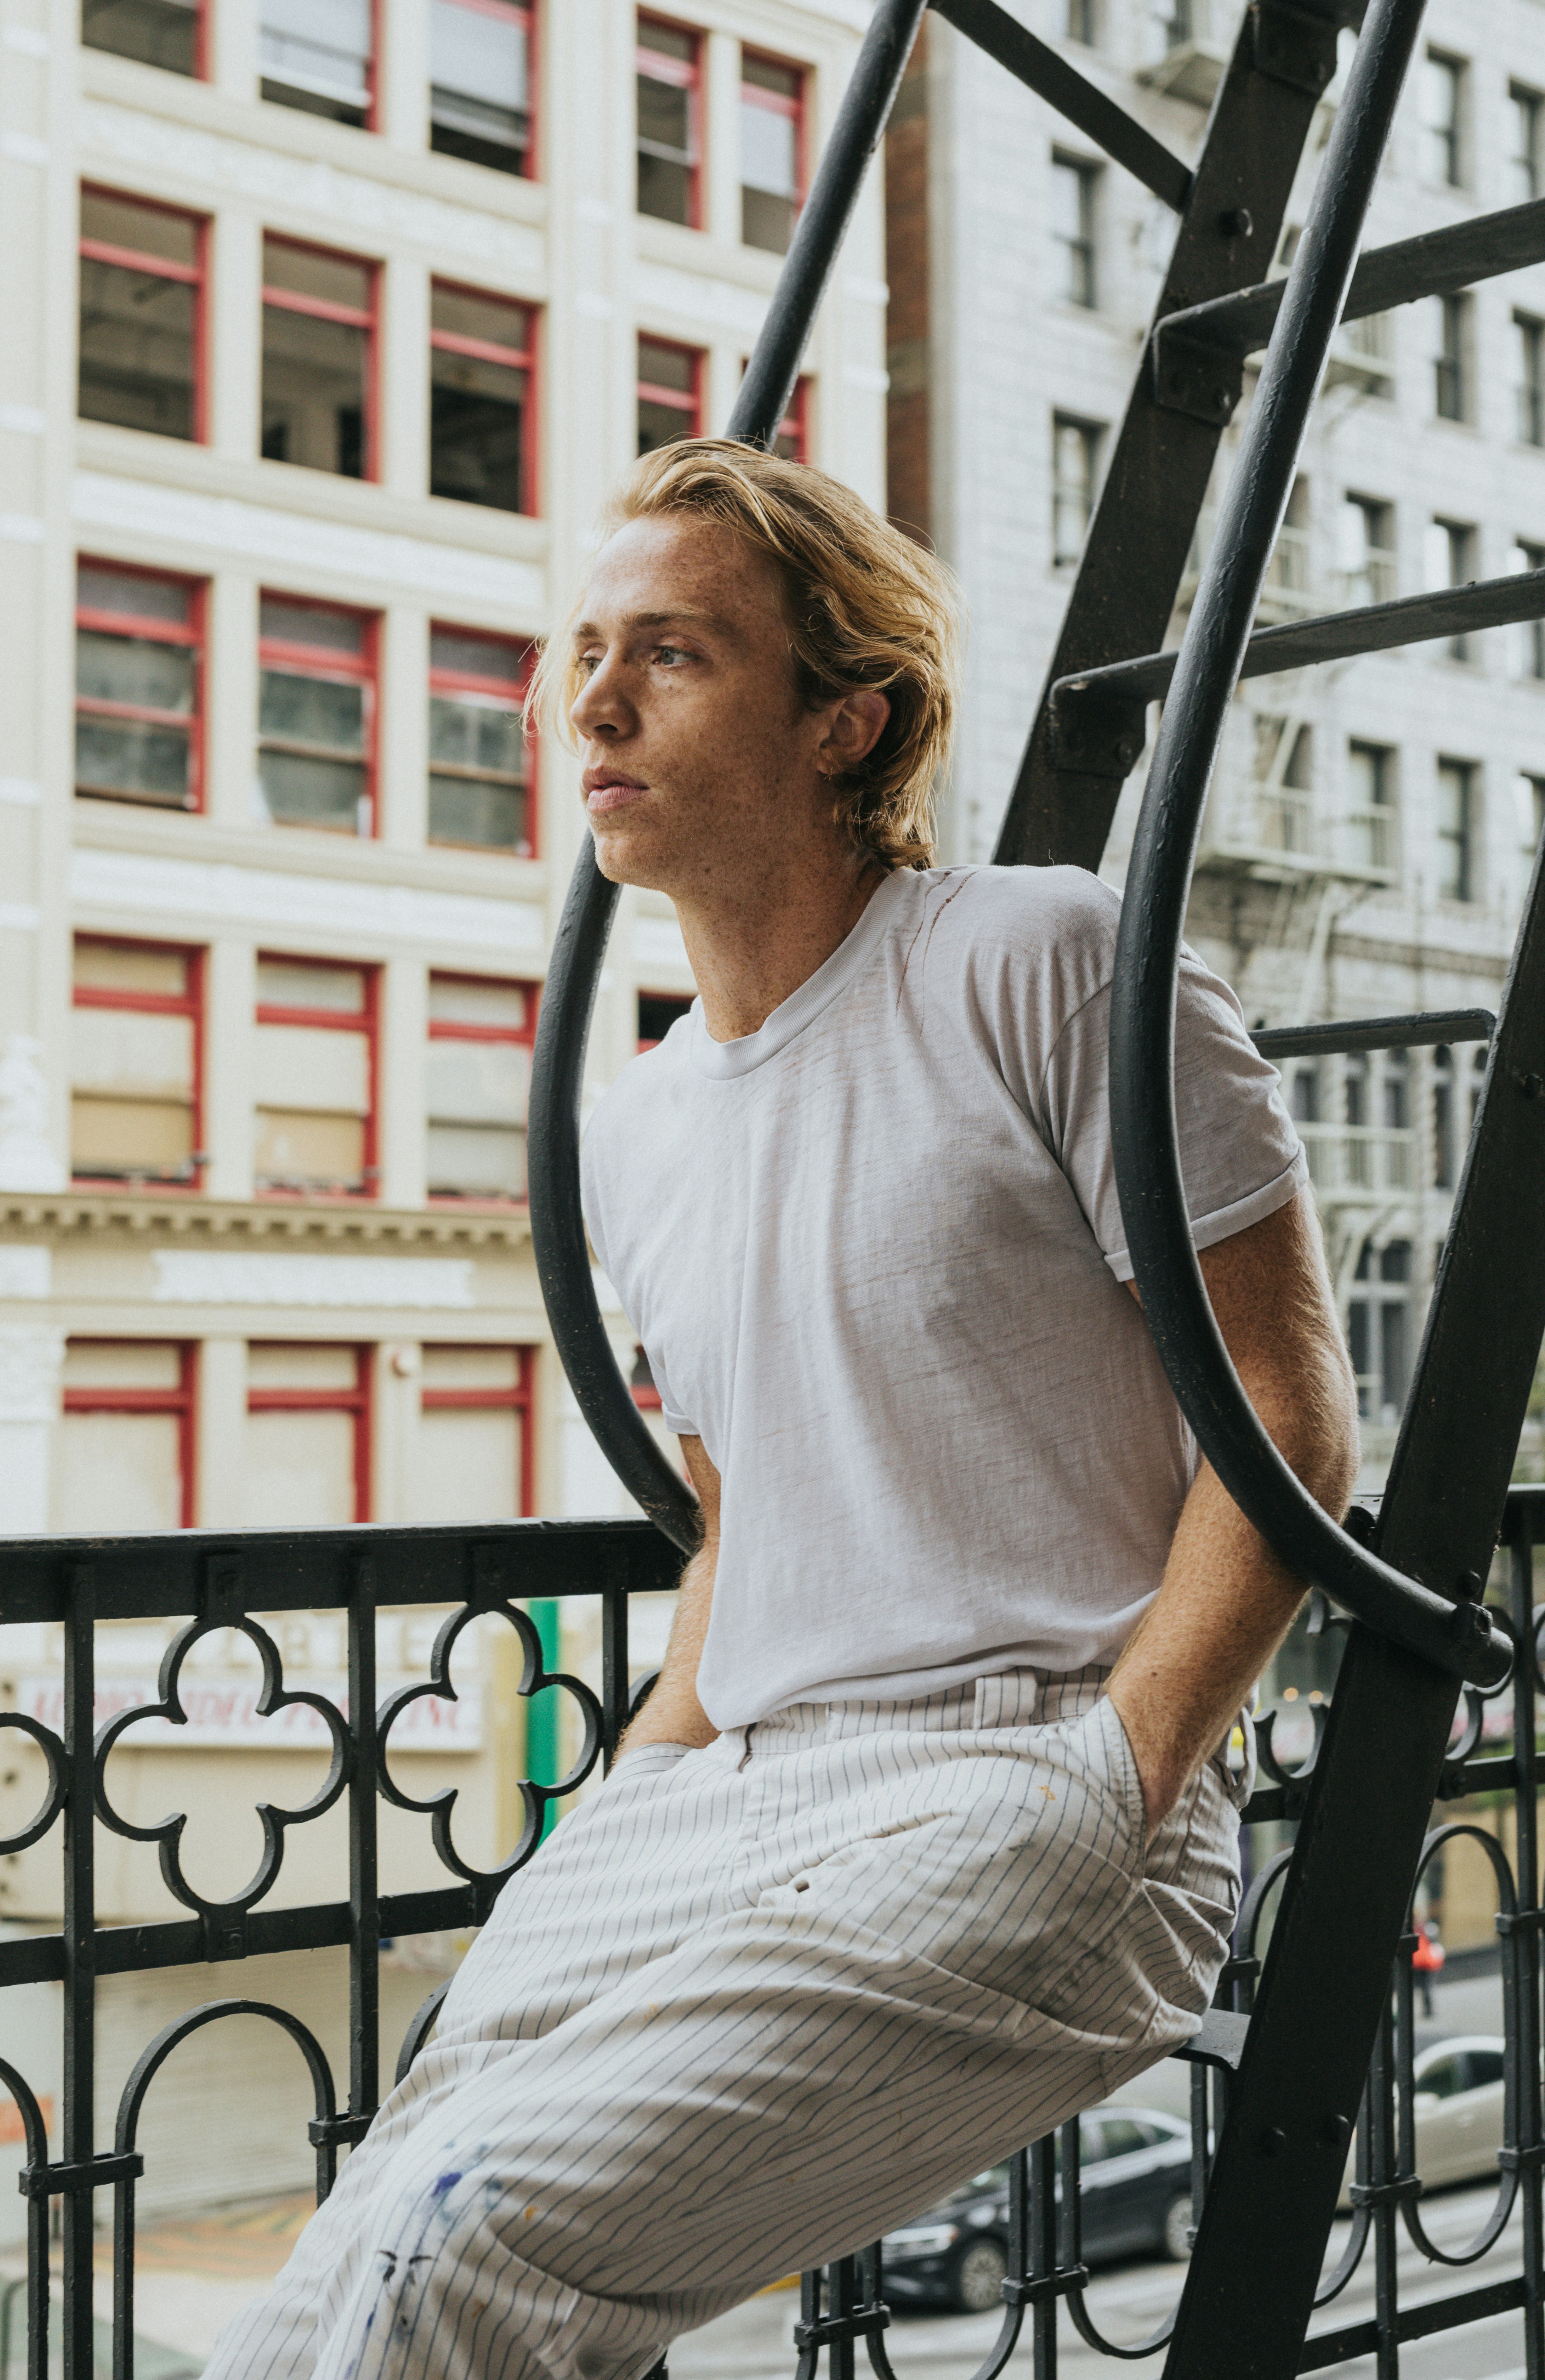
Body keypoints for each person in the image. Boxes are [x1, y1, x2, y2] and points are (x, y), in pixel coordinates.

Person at [206, 441, 1359, 2380]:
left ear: (850, 717)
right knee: (341, 2274)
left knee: (452, 2251)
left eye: (669, 653)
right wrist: (637, 1785)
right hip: (722, 1790)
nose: (587, 699)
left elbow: (1289, 1413)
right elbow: (744, 1525)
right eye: (577, 650)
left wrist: (1126, 1776)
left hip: (1027, 1775)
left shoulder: (1046, 965)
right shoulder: (641, 1125)